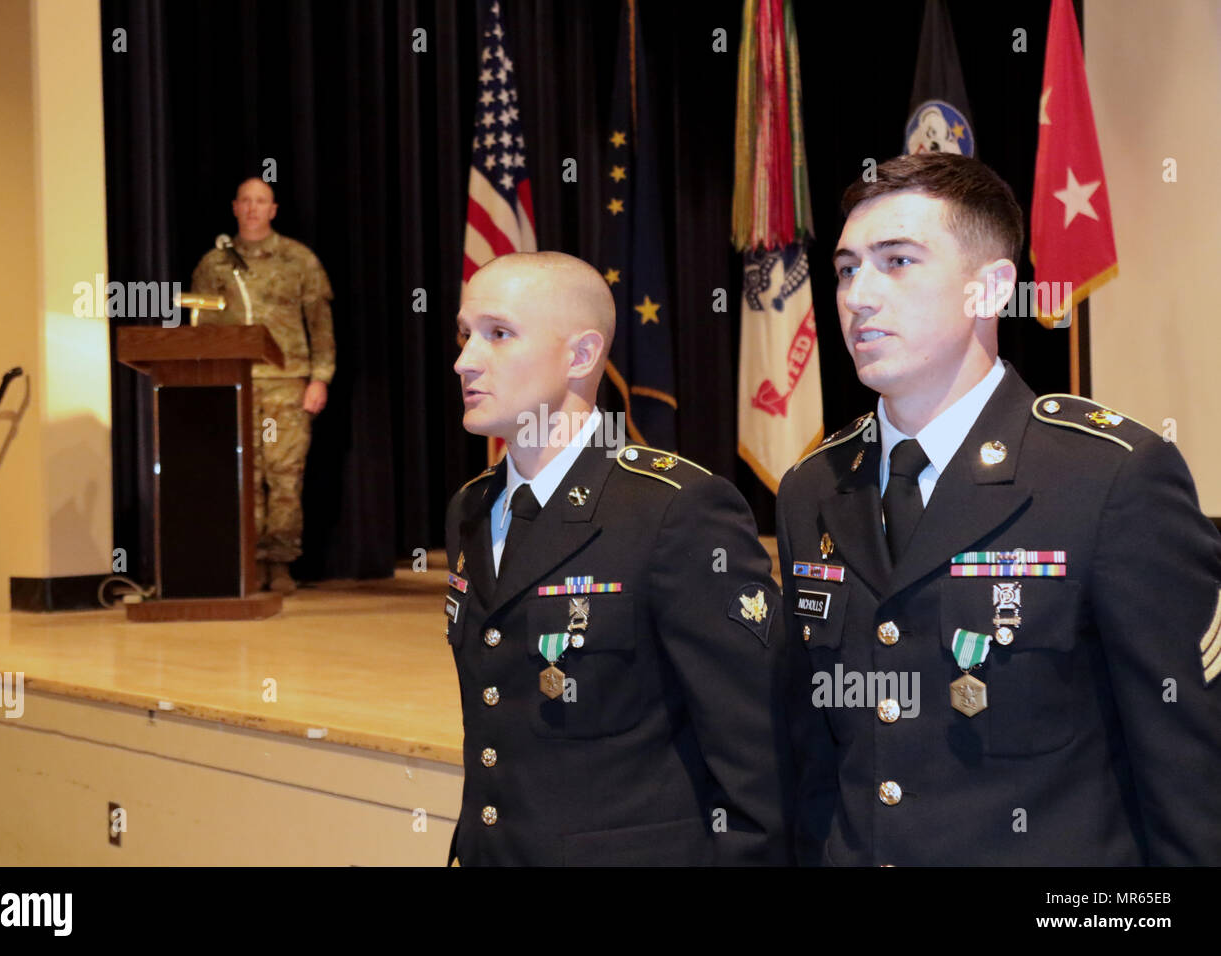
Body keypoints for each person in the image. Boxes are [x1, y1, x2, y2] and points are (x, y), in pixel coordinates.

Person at [776, 152, 1221, 866]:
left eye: (897, 262)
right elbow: (810, 760)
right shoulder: (815, 486)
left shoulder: (1107, 476)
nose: (859, 295)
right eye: (848, 267)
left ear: (990, 290)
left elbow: (1188, 775)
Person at [444, 251, 791, 865]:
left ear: (580, 357)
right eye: (465, 335)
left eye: (498, 335)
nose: (465, 361)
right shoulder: (472, 507)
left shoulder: (675, 509)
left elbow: (757, 752)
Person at [191, 177, 335, 594]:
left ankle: (280, 564)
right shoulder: (213, 264)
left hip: (286, 383)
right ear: (235, 207)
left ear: (273, 210)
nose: (253, 208)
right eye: (246, 201)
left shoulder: (297, 260)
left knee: (285, 476)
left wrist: (320, 377)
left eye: (262, 201)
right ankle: (246, 562)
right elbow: (199, 328)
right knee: (242, 477)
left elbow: (320, 325)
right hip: (232, 383)